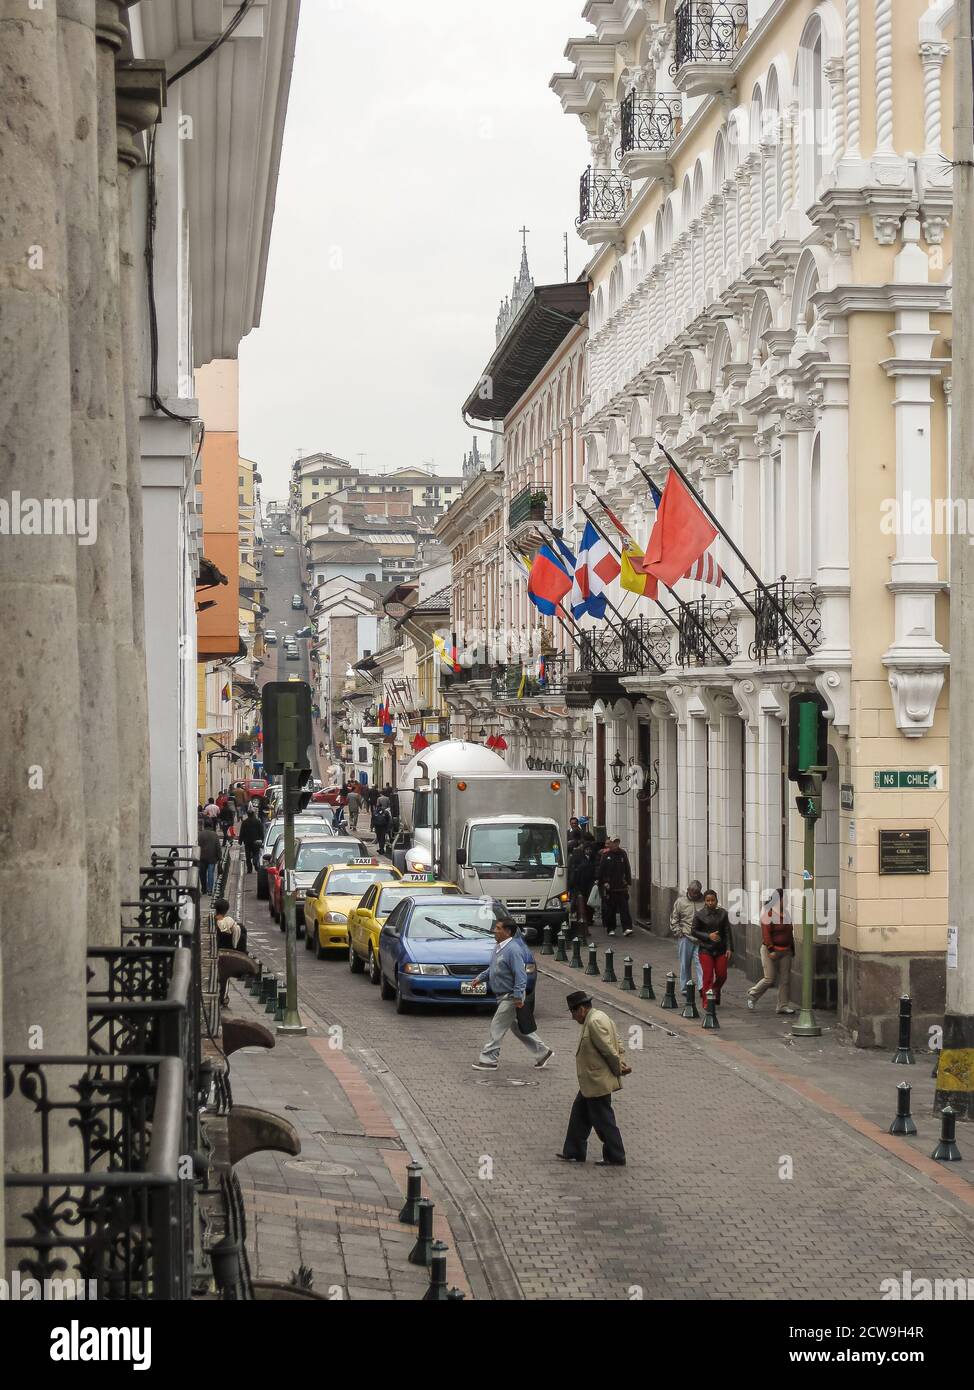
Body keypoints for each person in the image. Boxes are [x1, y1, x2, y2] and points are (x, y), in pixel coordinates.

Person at [471, 912, 553, 1072]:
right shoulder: (499, 947)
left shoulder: (513, 950)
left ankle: (489, 1059)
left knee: (497, 1026)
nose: (494, 930)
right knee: (519, 1028)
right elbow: (494, 968)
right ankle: (543, 1053)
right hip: (504, 996)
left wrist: (517, 995)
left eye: (498, 928)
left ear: (507, 932)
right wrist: (480, 978)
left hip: (510, 996)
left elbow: (520, 974)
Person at [558, 991, 630, 1166]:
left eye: (573, 1013)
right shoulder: (599, 1016)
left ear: (581, 1009)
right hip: (591, 1080)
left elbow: (608, 1049)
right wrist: (621, 1061)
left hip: (597, 1080)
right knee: (579, 1114)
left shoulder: (594, 1021)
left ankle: (616, 1155)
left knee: (603, 1120)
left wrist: (618, 1068)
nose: (573, 1017)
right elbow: (617, 1041)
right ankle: (574, 1150)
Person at [747, 888, 796, 1015]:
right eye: (783, 899)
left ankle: (782, 1005)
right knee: (769, 978)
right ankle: (753, 994)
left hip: (786, 950)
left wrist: (792, 948)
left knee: (785, 979)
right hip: (770, 950)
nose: (786, 901)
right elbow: (766, 934)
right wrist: (771, 949)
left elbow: (790, 932)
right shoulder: (768, 914)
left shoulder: (786, 913)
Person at [691, 888, 734, 1007]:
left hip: (721, 949)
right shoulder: (699, 915)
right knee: (708, 976)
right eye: (708, 900)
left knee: (722, 975)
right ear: (705, 901)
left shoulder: (723, 913)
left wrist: (729, 948)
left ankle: (715, 990)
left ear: (716, 900)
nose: (710, 903)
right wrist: (708, 936)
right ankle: (706, 1001)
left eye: (712, 900)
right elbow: (693, 931)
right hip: (706, 949)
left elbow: (727, 931)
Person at [670, 879, 705, 995]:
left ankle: (702, 987)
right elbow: (674, 918)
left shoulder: (704, 902)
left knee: (701, 963)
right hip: (685, 937)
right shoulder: (680, 902)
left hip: (700, 939)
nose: (694, 895)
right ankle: (685, 988)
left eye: (697, 892)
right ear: (688, 890)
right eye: (692, 892)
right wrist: (678, 932)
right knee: (685, 964)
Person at [598, 838, 633, 937]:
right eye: (614, 842)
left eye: (617, 842)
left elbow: (627, 868)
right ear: (611, 844)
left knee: (624, 908)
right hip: (611, 887)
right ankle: (611, 928)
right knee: (611, 909)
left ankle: (627, 928)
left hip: (621, 887)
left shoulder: (623, 854)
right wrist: (604, 882)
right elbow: (601, 871)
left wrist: (628, 881)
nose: (616, 844)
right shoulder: (606, 855)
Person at [213, 898, 246, 1006]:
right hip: (227, 954)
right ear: (226, 910)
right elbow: (238, 942)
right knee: (224, 977)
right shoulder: (232, 924)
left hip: (215, 953)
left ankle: (219, 996)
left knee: (216, 976)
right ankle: (223, 998)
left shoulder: (213, 922)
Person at [567, 840, 597, 943]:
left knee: (583, 910)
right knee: (582, 910)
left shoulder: (584, 862)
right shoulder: (582, 863)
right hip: (582, 889)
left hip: (583, 889)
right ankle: (584, 930)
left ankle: (584, 929)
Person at [197, 824, 221, 895]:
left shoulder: (200, 834)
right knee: (210, 874)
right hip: (212, 858)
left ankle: (203, 889)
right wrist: (220, 857)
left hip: (202, 858)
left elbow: (197, 845)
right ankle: (210, 890)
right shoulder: (214, 835)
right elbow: (218, 847)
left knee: (202, 874)